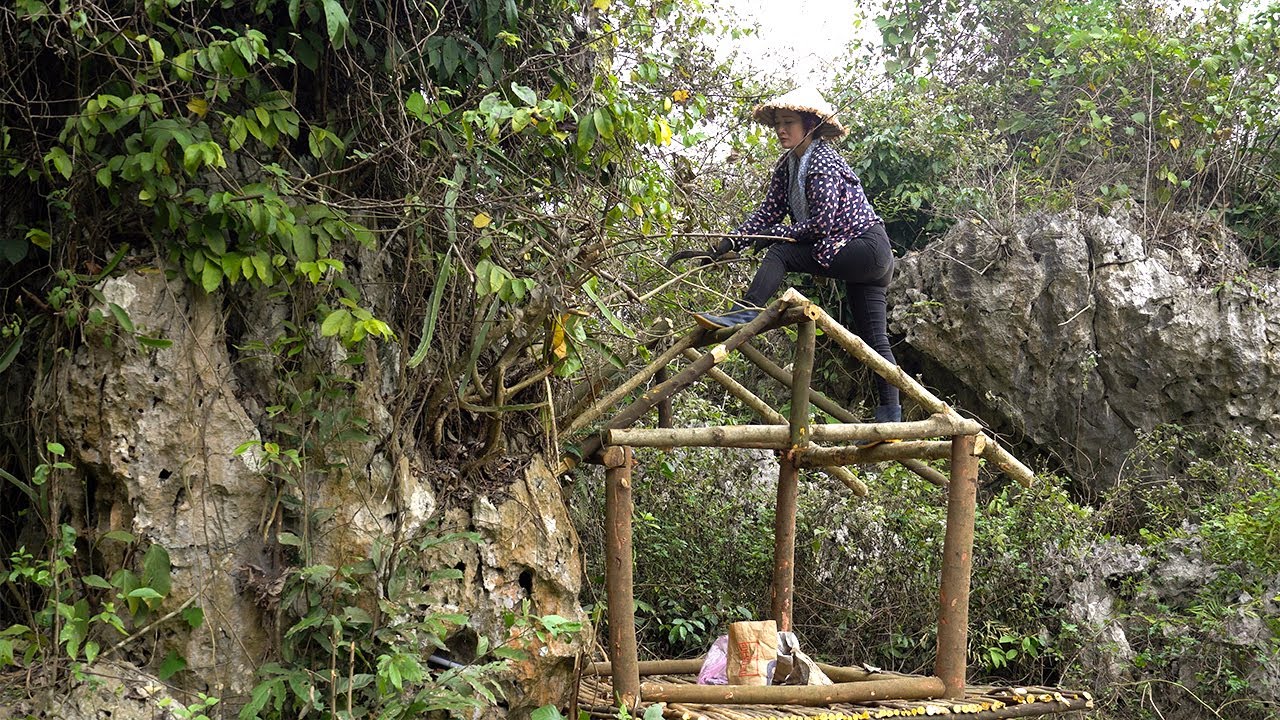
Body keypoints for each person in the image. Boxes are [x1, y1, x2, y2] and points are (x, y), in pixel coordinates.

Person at [693, 87, 901, 424]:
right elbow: (768, 215)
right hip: (862, 256)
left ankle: (744, 313)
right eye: (778, 123)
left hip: (865, 248)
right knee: (873, 338)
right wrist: (731, 242)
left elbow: (821, 225)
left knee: (781, 252)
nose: (781, 129)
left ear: (811, 125)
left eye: (789, 122)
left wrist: (773, 236)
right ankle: (890, 415)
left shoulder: (823, 160)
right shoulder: (788, 166)